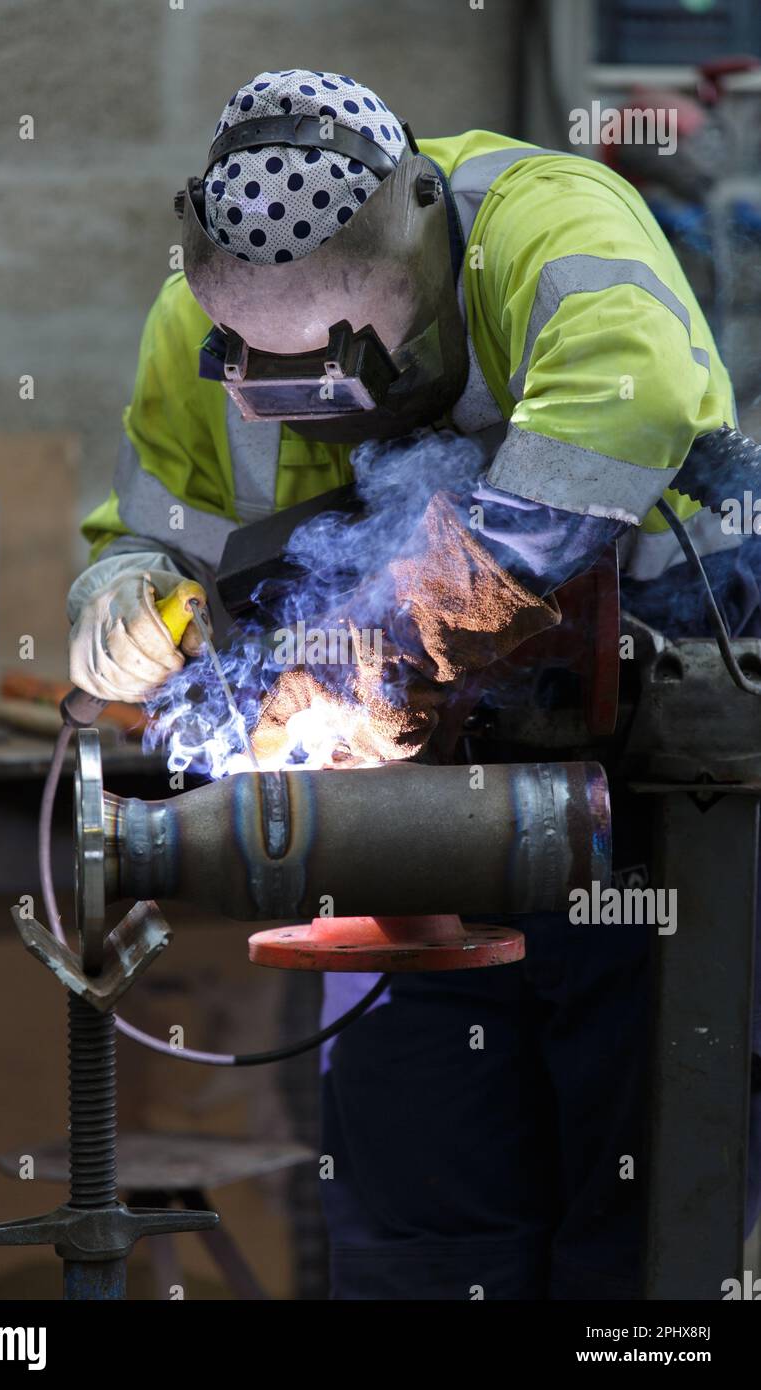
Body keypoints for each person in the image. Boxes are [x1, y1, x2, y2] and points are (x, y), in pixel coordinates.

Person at [67, 69, 756, 1298]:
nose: (314, 394)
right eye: (265, 365)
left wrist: (387, 648)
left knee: (641, 1221)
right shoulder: (197, 323)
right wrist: (123, 582)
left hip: (649, 790)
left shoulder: (550, 221)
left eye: (344, 358)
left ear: (419, 241)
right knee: (422, 1227)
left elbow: (618, 415)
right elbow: (169, 521)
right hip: (401, 821)